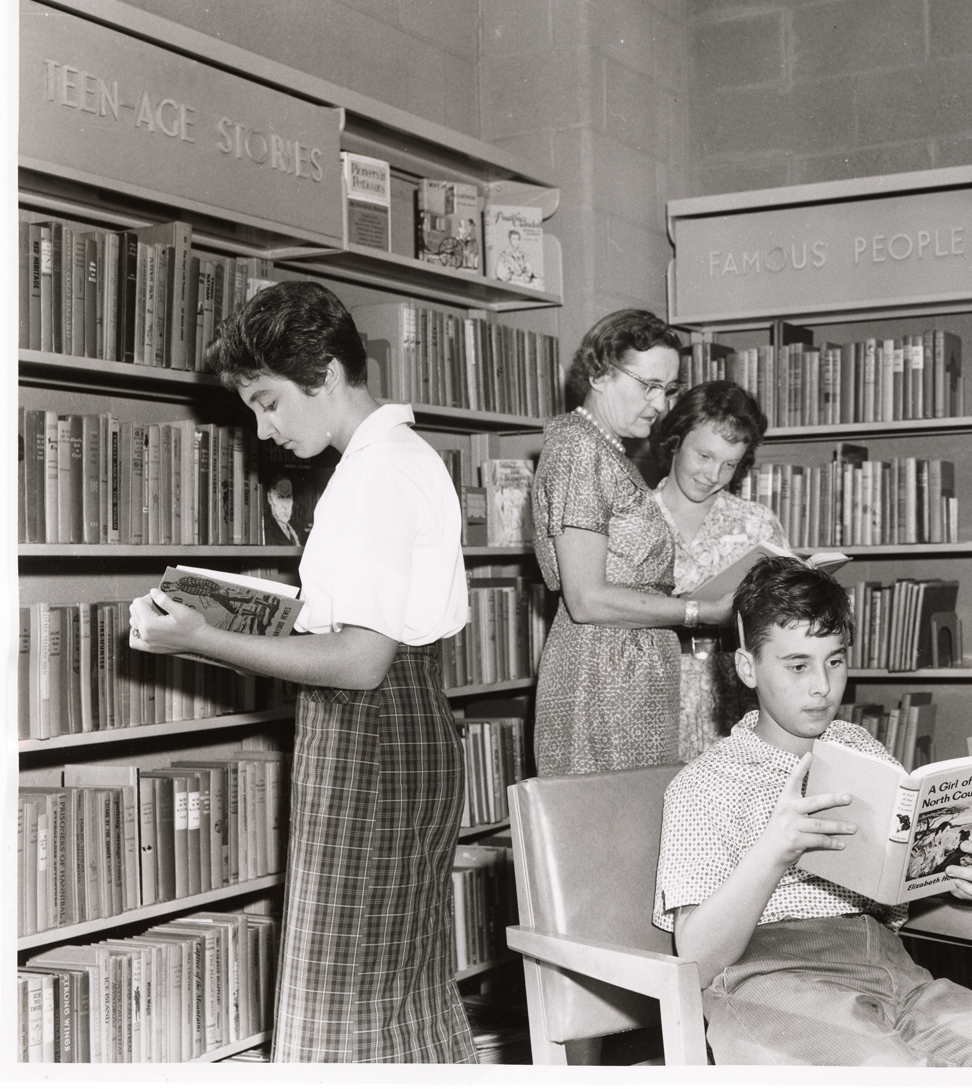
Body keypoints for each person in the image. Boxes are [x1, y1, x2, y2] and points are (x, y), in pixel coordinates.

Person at [127, 281, 477, 1064]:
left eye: (268, 401)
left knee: (341, 992)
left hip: (371, 738)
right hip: (404, 725)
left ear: (322, 373)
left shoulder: (373, 475)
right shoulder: (399, 456)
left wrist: (199, 639)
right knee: (392, 986)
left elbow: (358, 661)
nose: (263, 427)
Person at [652, 557, 972, 1066]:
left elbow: (898, 877)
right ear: (747, 667)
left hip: (898, 976)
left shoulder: (860, 749)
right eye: (798, 665)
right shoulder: (704, 784)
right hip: (772, 982)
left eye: (835, 661)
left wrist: (957, 874)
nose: (822, 686)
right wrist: (773, 853)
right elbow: (693, 960)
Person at [531, 310, 735, 776]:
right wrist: (698, 612)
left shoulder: (603, 450)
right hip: (599, 680)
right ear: (600, 372)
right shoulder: (579, 451)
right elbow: (586, 599)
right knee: (607, 833)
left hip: (623, 673)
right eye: (648, 385)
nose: (660, 404)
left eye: (668, 389)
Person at [649, 380, 787, 762]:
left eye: (730, 464)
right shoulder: (635, 516)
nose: (713, 474)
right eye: (704, 456)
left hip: (733, 691)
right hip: (652, 688)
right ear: (675, 441)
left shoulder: (756, 523)